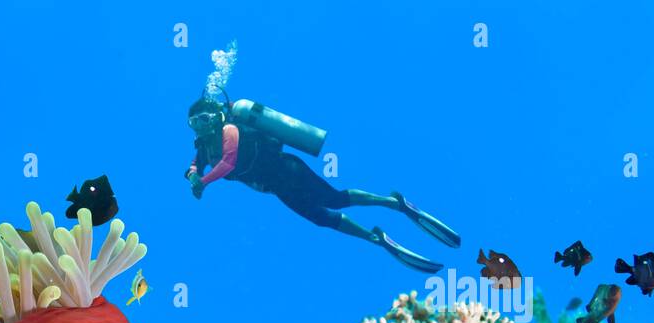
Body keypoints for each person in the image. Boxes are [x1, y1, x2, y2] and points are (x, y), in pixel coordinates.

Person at [185, 97, 460, 273]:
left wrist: (204, 183)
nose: (200, 127)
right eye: (194, 123)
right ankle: (376, 238)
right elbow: (194, 165)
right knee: (320, 218)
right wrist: (193, 174)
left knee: (335, 199)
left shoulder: (229, 131)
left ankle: (396, 203)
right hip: (276, 187)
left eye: (205, 119)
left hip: (287, 170)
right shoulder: (205, 146)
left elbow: (229, 163)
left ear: (218, 116)